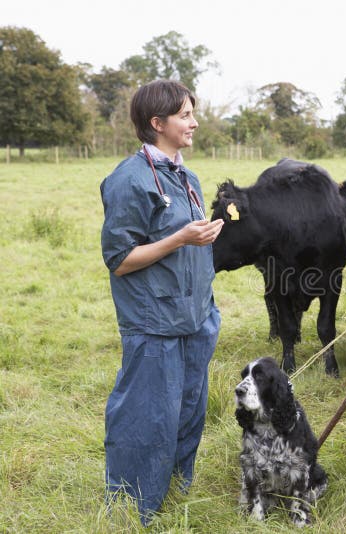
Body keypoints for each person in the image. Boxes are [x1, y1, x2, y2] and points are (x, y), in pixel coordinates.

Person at [100, 79, 224, 524]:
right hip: (153, 325)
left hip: (194, 320)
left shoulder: (186, 176)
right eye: (185, 115)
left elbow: (188, 246)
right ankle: (134, 509)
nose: (194, 122)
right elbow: (120, 260)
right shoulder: (128, 181)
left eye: (192, 113)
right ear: (158, 123)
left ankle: (173, 494)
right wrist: (179, 238)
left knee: (189, 415)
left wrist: (203, 238)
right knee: (146, 421)